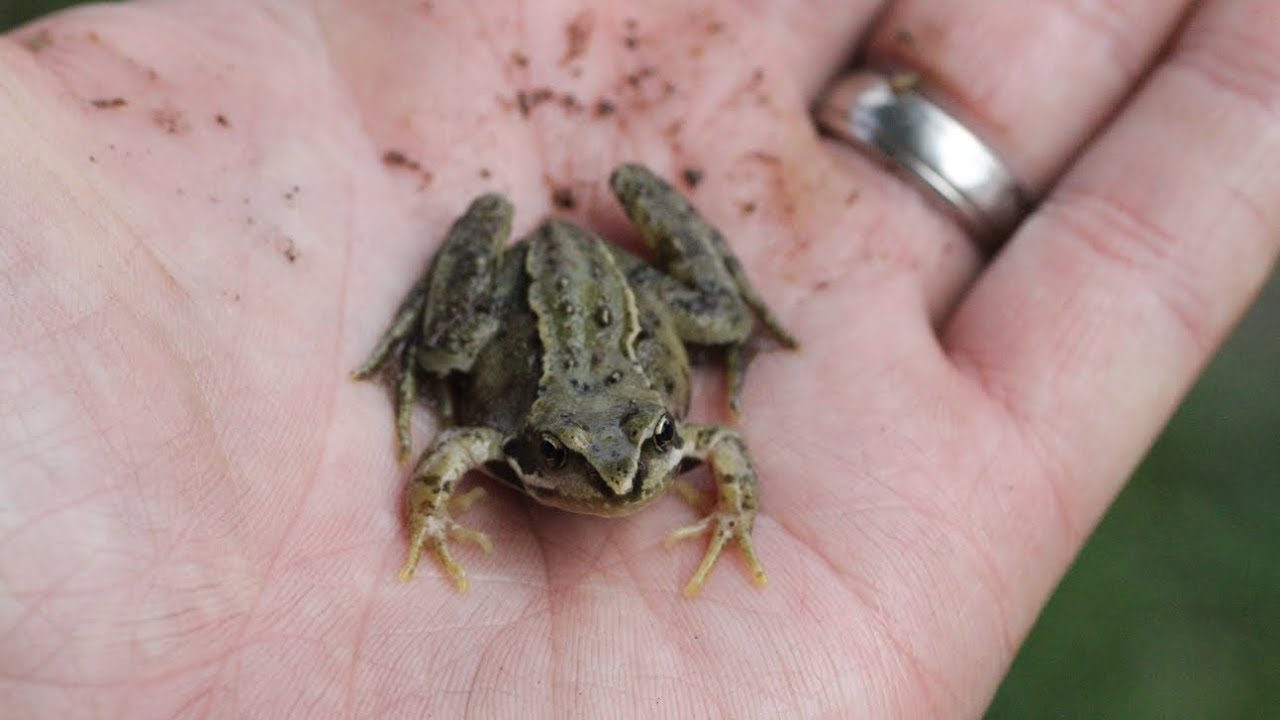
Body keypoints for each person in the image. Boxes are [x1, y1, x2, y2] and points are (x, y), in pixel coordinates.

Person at [0, 1, 1274, 717]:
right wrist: (426, 458)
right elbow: (456, 453)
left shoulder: (656, 447)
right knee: (445, 350)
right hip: (529, 319)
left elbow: (707, 441)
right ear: (543, 448)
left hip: (627, 309)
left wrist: (719, 492)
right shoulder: (524, 439)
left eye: (641, 464)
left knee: (710, 319)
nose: (617, 484)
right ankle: (408, 338)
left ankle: (743, 307)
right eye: (589, 466)